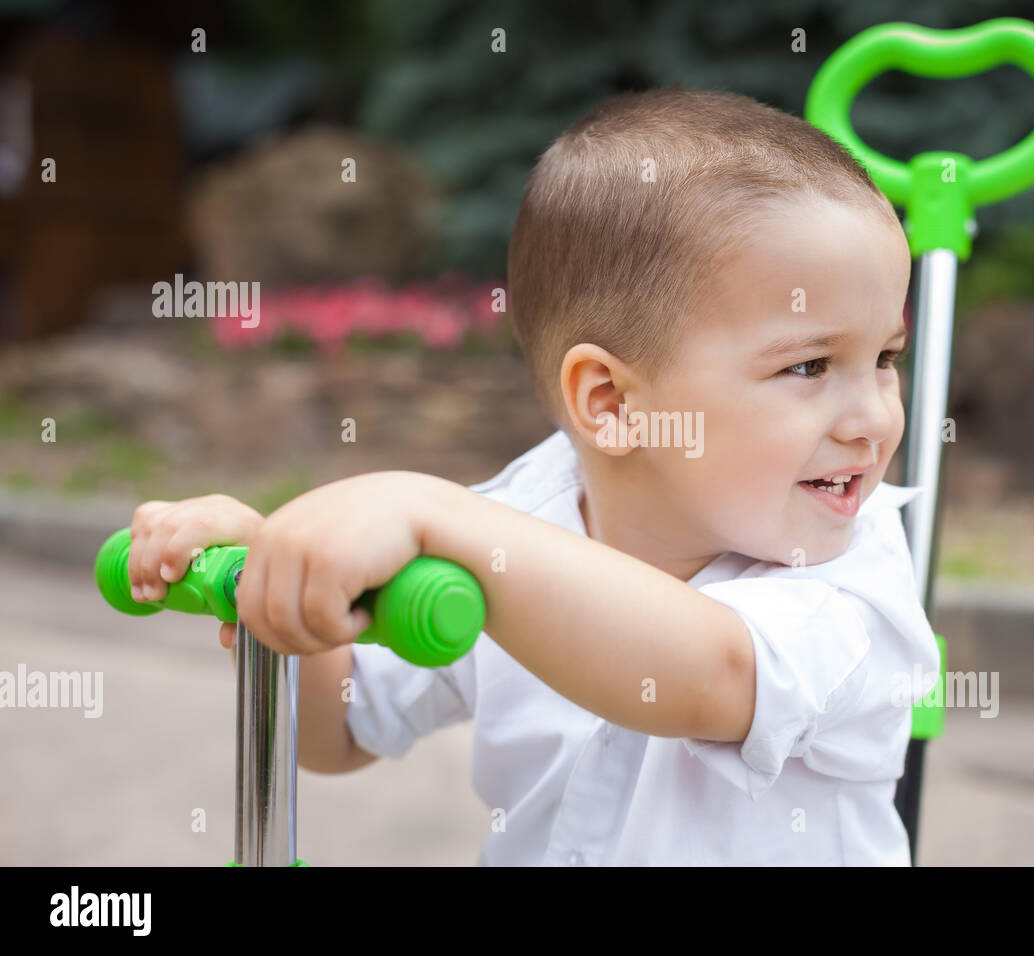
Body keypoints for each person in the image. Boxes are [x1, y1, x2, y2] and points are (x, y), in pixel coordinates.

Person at [126, 87, 940, 865]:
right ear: (612, 402)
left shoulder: (852, 584)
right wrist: (275, 586)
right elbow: (338, 732)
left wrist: (425, 509)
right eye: (809, 365)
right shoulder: (526, 517)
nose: (872, 415)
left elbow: (701, 674)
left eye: (886, 359)